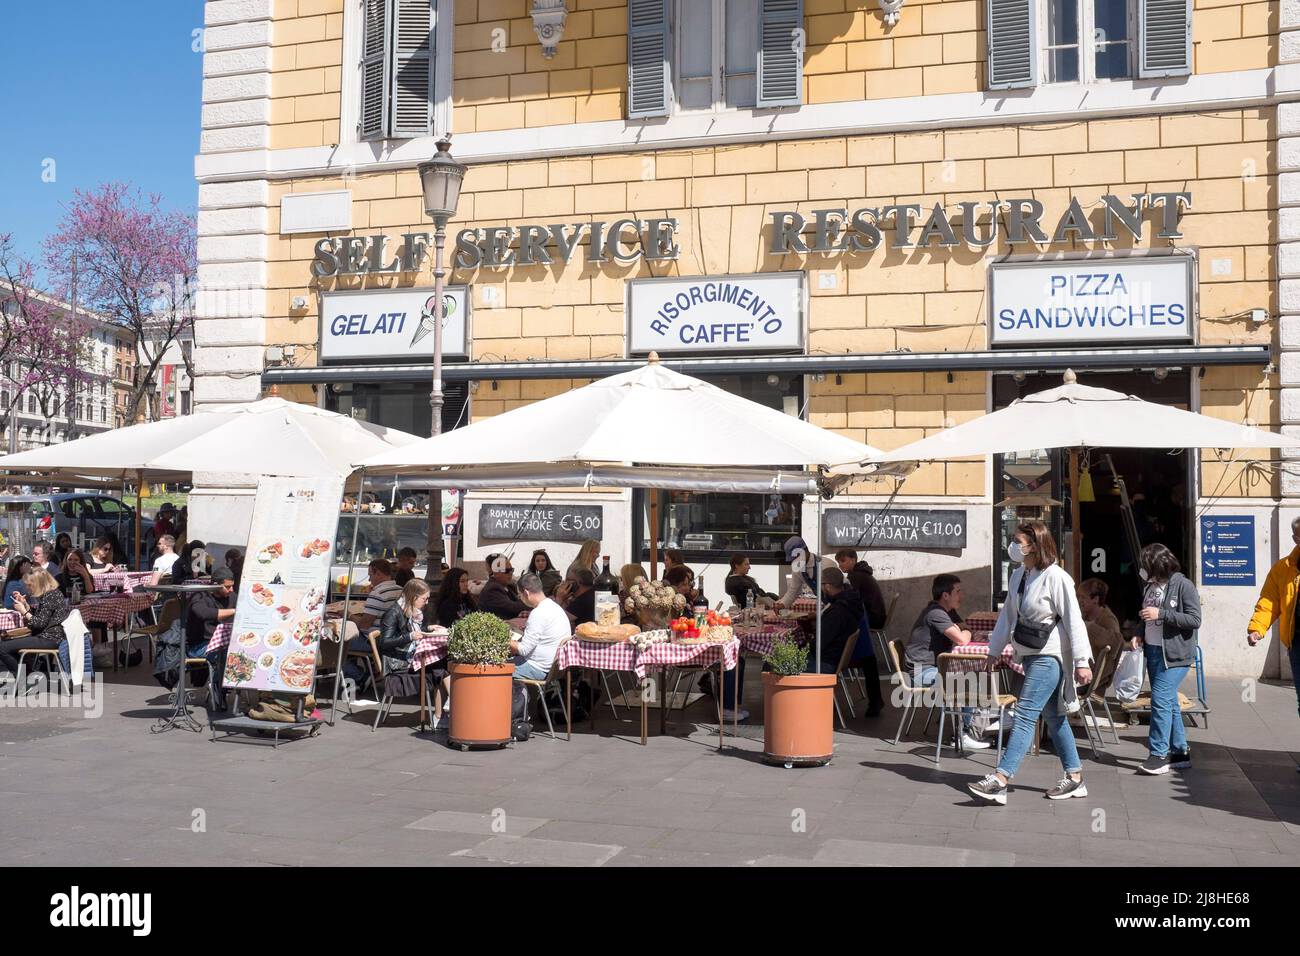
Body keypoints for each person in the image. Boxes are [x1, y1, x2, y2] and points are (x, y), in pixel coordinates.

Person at [968, 521, 1093, 805]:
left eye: (1017, 540)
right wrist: (993, 651)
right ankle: (1075, 778)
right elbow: (1007, 617)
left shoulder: (1057, 577)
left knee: (1024, 714)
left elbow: (1074, 620)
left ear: (1034, 546)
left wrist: (1082, 661)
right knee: (1053, 716)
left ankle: (1000, 779)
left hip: (1050, 655)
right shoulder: (1019, 575)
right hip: (1030, 653)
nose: (1012, 545)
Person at [1135, 543, 1200, 775]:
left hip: (1175, 655)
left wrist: (1161, 614)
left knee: (1160, 701)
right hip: (1153, 652)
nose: (1142, 569)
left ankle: (1158, 754)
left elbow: (1194, 619)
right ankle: (1180, 752)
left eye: (1146, 565)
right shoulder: (1150, 587)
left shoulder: (1183, 585)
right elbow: (1145, 615)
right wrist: (1137, 633)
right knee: (1169, 702)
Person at [904, 573, 986, 750]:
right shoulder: (936, 613)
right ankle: (962, 734)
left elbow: (964, 627)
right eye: (958, 591)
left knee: (970, 679)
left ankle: (971, 725)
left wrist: (964, 631)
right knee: (968, 683)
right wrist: (964, 633)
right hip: (920, 672)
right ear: (945, 595)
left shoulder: (948, 610)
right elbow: (962, 639)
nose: (961, 595)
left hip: (935, 667)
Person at [1247, 515, 1300, 763]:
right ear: (1295, 538)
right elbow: (1269, 602)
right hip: (1297, 644)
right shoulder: (1283, 568)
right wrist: (1257, 628)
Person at [836, 549, 886, 718]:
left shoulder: (855, 577)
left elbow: (844, 596)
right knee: (867, 659)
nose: (840, 565)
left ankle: (875, 700)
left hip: (869, 618)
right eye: (838, 562)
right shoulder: (861, 573)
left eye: (843, 561)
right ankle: (876, 699)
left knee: (865, 658)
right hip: (872, 616)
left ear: (852, 560)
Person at [3, 568, 71, 676]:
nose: (28, 588)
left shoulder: (50, 596)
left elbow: (38, 624)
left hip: (50, 638)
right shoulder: (53, 593)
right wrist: (25, 604)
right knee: (8, 642)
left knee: (3, 648)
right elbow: (42, 616)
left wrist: (23, 611)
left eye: (30, 585)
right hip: (51, 636)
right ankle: (28, 674)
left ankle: (23, 680)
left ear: (39, 583)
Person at [509, 573, 568, 682]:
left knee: (493, 668)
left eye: (519, 595)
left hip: (537, 668)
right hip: (554, 669)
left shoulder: (538, 613)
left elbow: (523, 649)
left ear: (526, 593)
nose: (520, 598)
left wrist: (501, 639)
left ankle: (516, 699)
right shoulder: (555, 607)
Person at [376, 579, 430, 675]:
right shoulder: (393, 613)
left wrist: (429, 629)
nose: (427, 602)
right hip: (396, 663)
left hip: (406, 656)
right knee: (436, 670)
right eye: (424, 599)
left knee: (440, 665)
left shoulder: (411, 611)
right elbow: (384, 642)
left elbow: (412, 631)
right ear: (414, 598)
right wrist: (409, 637)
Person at [1077, 577, 1125, 678]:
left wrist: (1089, 627)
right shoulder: (1084, 615)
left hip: (1092, 676)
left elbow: (1116, 641)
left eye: (1083, 597)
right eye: (1078, 597)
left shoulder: (1108, 619)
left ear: (1095, 599)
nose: (1079, 600)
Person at [186, 565, 237, 655]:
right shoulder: (200, 596)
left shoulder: (232, 596)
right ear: (215, 585)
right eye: (227, 587)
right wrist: (235, 611)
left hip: (226, 642)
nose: (231, 590)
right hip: (200, 646)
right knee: (228, 653)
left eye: (232, 586)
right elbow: (203, 613)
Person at [478, 554, 529, 620]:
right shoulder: (492, 588)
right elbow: (513, 608)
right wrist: (530, 600)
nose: (510, 573)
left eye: (511, 570)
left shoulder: (508, 585)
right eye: (506, 571)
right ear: (496, 572)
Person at [777, 535, 817, 609]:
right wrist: (782, 605)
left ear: (805, 551)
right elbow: (794, 590)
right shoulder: (798, 568)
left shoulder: (824, 565)